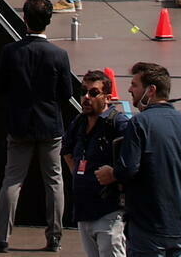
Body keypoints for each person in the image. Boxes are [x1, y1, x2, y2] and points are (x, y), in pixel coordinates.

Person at [0, 0, 74, 252]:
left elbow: (0, 86)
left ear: (24, 19)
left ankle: (3, 237)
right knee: (54, 180)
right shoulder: (58, 55)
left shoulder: (11, 52)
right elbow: (66, 93)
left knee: (12, 180)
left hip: (19, 125)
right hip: (50, 126)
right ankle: (55, 236)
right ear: (48, 21)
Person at [97, 65, 181, 257]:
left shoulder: (139, 123)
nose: (129, 90)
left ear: (150, 90)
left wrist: (111, 173)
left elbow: (127, 170)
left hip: (147, 227)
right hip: (178, 226)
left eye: (134, 85)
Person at [62, 72, 124, 257]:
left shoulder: (119, 124)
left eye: (93, 93)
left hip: (109, 212)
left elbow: (132, 163)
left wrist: (114, 174)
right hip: (83, 211)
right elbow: (66, 150)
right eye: (83, 92)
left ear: (107, 97)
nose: (86, 97)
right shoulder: (79, 121)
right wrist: (79, 174)